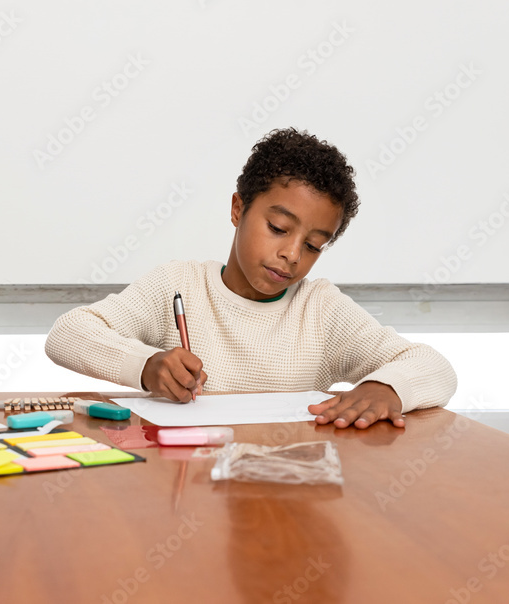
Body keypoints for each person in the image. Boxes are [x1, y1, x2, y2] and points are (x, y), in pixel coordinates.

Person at [45, 128, 456, 429]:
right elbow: (67, 335)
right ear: (238, 209)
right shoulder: (177, 284)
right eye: (278, 227)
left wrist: (388, 388)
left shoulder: (320, 310)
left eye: (314, 245)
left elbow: (435, 367)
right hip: (190, 487)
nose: (292, 255)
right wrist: (146, 366)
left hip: (283, 490)